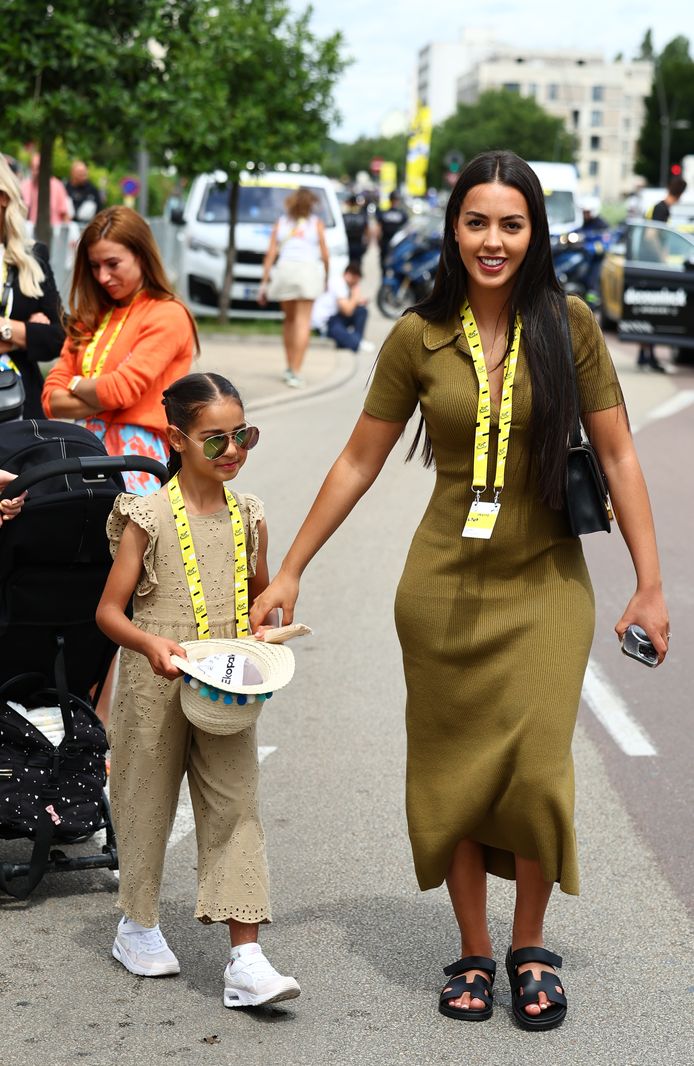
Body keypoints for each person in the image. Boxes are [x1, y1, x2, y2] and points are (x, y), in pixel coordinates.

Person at [250, 150, 669, 1031]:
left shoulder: (570, 323)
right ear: (452, 228)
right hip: (441, 586)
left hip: (547, 581)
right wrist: (290, 567)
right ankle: (475, 951)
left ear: (535, 232)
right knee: (454, 778)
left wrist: (650, 584)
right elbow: (360, 459)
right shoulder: (417, 336)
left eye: (511, 224)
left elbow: (622, 453)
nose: (492, 240)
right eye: (476, 222)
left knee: (538, 772)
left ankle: (529, 947)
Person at [95, 371, 300, 1009]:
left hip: (227, 686)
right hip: (154, 680)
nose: (233, 451)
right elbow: (109, 612)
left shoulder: (251, 516)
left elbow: (262, 598)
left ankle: (247, 957)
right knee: (144, 798)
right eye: (216, 440)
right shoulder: (147, 514)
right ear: (177, 439)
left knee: (236, 806)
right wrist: (151, 645)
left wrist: (267, 631)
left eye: (244, 436)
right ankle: (138, 924)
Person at [42, 206, 197, 495]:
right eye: (94, 265)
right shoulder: (89, 317)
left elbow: (121, 390)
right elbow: (51, 399)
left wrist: (75, 383)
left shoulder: (168, 315)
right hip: (82, 450)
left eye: (113, 264)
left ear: (141, 255)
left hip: (141, 458)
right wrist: (109, 395)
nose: (102, 276)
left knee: (132, 539)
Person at [0, 154, 65, 417]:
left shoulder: (32, 257)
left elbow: (59, 335)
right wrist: (25, 333)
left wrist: (6, 330)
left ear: (3, 198)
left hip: (20, 406)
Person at [257, 188, 329, 389]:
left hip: (285, 271)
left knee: (289, 320)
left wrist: (264, 283)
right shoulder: (316, 224)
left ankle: (289, 366)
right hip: (307, 271)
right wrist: (327, 276)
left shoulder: (281, 222)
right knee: (303, 322)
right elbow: (325, 254)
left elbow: (270, 253)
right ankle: (296, 371)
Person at [637, 175, 688, 372]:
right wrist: (663, 257)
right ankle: (648, 356)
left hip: (642, 262)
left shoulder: (656, 206)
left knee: (644, 309)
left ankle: (644, 355)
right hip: (652, 265)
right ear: (681, 194)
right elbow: (652, 236)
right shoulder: (662, 209)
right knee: (653, 310)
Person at [311, 261, 374, 353]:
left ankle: (357, 340)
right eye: (356, 282)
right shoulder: (339, 284)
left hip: (334, 318)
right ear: (350, 275)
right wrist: (355, 295)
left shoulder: (341, 284)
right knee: (352, 343)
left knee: (361, 310)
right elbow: (347, 311)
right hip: (326, 323)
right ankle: (356, 342)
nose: (356, 285)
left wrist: (356, 301)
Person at [20, 153, 71, 226]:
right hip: (30, 231)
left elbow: (65, 214)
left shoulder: (58, 185)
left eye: (37, 168)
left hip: (53, 231)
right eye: (32, 167)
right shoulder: (24, 186)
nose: (35, 172)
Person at [376, 190, 408, 272]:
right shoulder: (386, 213)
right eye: (395, 199)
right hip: (387, 242)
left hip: (395, 243)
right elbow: (378, 228)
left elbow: (406, 229)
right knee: (385, 264)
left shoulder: (402, 214)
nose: (395, 201)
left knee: (391, 264)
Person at [65, 160, 104, 224]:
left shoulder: (92, 190)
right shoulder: (65, 188)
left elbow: (99, 211)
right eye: (80, 173)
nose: (83, 175)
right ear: (72, 173)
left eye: (84, 173)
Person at [342, 194, 369, 264]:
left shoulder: (344, 216)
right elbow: (367, 230)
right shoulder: (362, 215)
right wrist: (366, 243)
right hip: (358, 244)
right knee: (358, 264)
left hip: (348, 244)